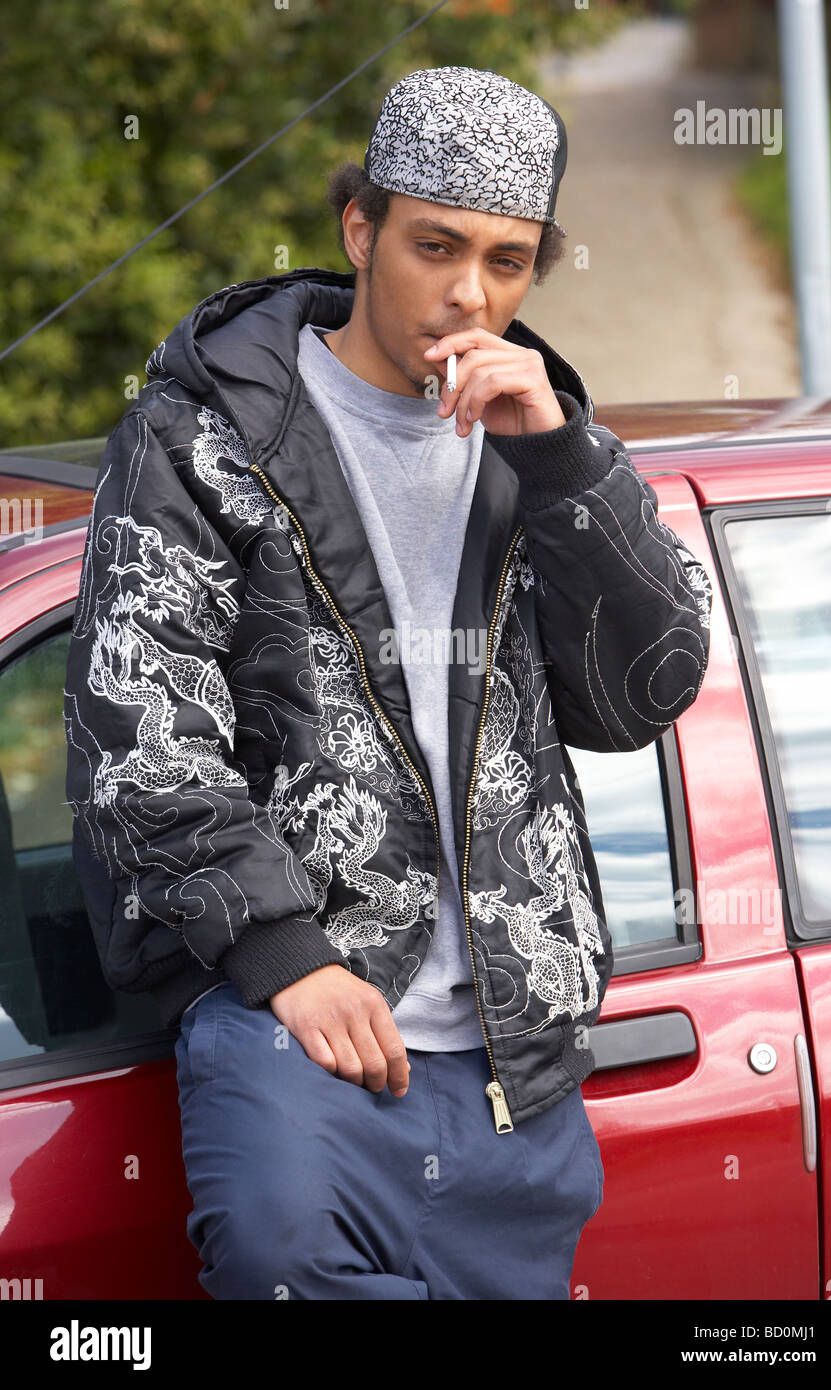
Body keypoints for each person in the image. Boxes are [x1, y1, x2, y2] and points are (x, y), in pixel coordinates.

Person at [64, 65, 713, 1300]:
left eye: (509, 262)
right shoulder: (202, 437)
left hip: (514, 1067)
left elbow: (643, 691)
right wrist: (283, 954)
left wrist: (564, 465)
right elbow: (139, 731)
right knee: (278, 1263)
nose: (470, 293)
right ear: (358, 228)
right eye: (435, 245)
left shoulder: (550, 444)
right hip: (300, 1031)